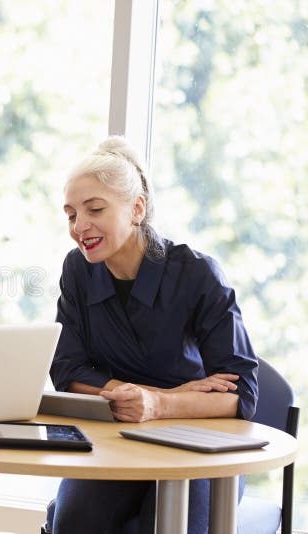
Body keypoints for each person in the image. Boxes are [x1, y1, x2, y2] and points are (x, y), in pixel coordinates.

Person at [47, 136, 258, 534]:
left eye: (95, 209)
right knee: (74, 522)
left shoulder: (197, 273)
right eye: (71, 214)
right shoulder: (78, 269)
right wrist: (154, 397)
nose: (79, 227)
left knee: (166, 526)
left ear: (136, 208)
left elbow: (241, 392)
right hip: (117, 436)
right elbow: (66, 369)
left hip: (201, 442)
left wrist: (160, 404)